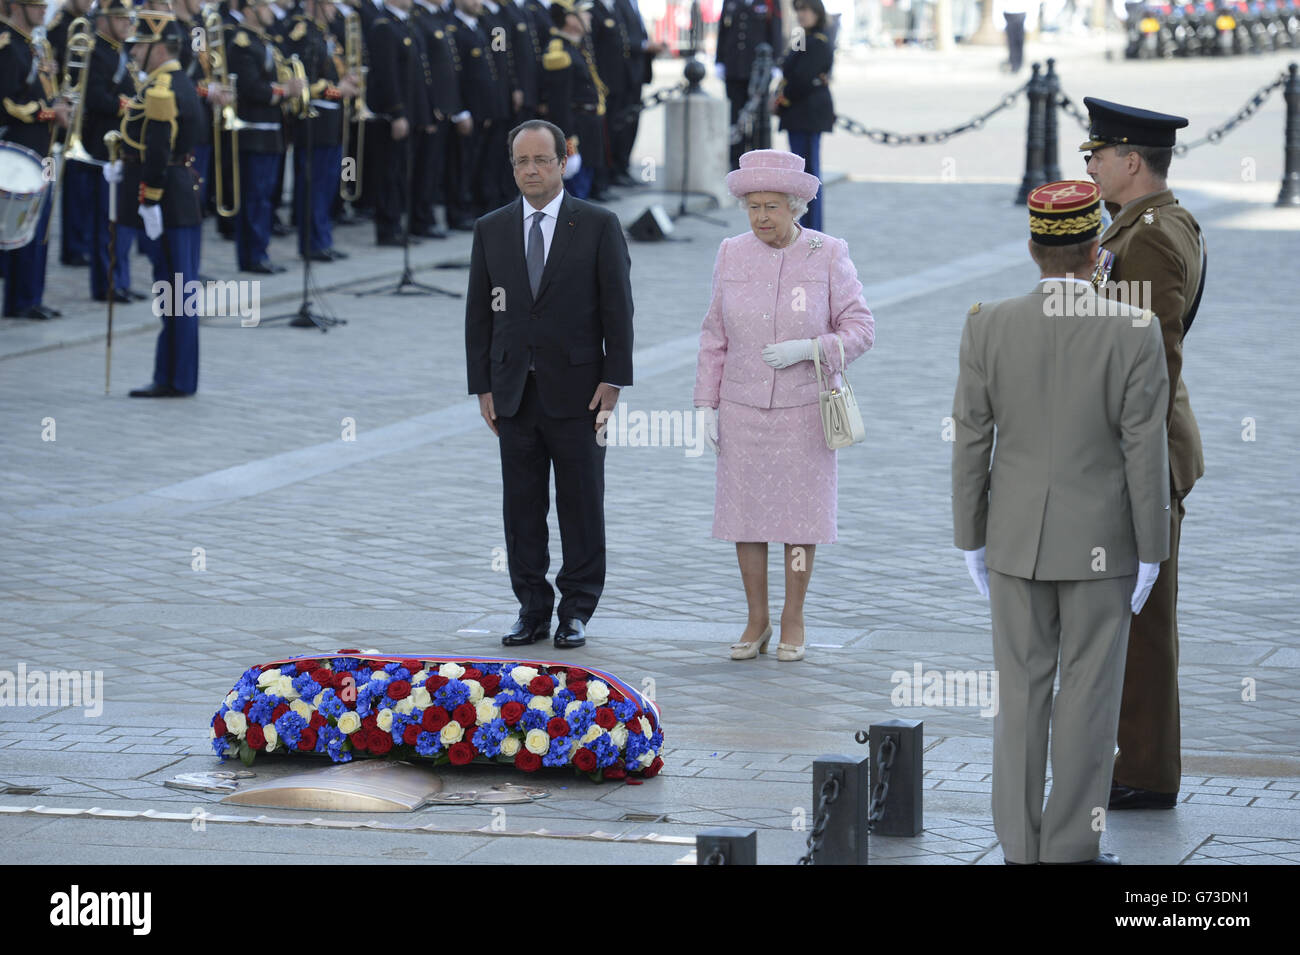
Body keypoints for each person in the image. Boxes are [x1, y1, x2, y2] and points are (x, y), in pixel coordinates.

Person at [951, 180, 1171, 865]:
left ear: (1032, 249)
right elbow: (1145, 450)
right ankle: (1073, 843)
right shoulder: (1135, 331)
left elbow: (969, 440)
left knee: (1019, 695)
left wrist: (971, 536)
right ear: (1097, 250)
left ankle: (1019, 843)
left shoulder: (986, 323)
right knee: (1089, 696)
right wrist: (1153, 548)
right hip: (1103, 542)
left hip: (1014, 539)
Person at [694, 149, 874, 663]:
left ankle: (793, 616)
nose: (761, 218)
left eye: (772, 206)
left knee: (799, 519)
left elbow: (861, 328)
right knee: (744, 518)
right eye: (753, 207)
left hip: (803, 407)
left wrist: (812, 348)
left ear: (796, 206)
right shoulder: (731, 252)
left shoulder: (828, 251)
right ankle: (757, 618)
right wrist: (705, 403)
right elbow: (714, 334)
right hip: (742, 406)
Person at [465, 118, 634, 651]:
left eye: (542, 160)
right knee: (522, 505)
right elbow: (479, 317)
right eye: (522, 161)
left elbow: (619, 310)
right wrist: (483, 387)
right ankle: (531, 608)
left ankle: (577, 608)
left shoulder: (598, 224)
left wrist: (614, 380)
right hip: (514, 392)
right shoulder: (491, 229)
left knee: (581, 503)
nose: (532, 170)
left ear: (564, 162)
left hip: (581, 392)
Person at [1081, 97, 1206, 813]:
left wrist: (1126, 460)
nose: (1090, 165)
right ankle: (1140, 762)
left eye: (1096, 154)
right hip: (1150, 449)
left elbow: (1149, 359)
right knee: (1139, 615)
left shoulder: (1151, 237)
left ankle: (1148, 773)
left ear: (1132, 160)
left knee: (1145, 622)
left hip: (1146, 453)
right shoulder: (1152, 224)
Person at [109, 5, 204, 397]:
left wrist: (149, 199)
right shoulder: (175, 81)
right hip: (178, 196)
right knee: (174, 292)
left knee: (176, 293)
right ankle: (172, 375)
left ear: (160, 49)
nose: (132, 53)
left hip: (167, 201)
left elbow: (159, 150)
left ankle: (176, 378)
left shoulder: (162, 89)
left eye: (139, 46)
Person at [0, 0, 70, 320]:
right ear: (15, 6)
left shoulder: (35, 45)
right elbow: (9, 103)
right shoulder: (7, 44)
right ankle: (20, 298)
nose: (44, 9)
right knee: (20, 225)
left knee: (43, 222)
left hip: (46, 149)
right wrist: (49, 112)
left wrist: (60, 104)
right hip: (20, 149)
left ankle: (33, 294)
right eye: (36, 5)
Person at [772, 0, 832, 232]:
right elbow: (788, 68)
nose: (802, 15)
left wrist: (781, 98)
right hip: (798, 115)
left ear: (817, 12)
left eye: (806, 10)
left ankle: (812, 228)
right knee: (800, 174)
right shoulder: (802, 38)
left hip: (809, 115)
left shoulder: (818, 41)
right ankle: (804, 226)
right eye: (799, 10)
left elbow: (801, 80)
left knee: (809, 176)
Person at [715, 0, 782, 169]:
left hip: (759, 71)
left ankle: (759, 161)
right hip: (734, 68)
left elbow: (775, 29)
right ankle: (735, 162)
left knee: (759, 119)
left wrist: (775, 63)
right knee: (735, 116)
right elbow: (723, 30)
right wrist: (720, 60)